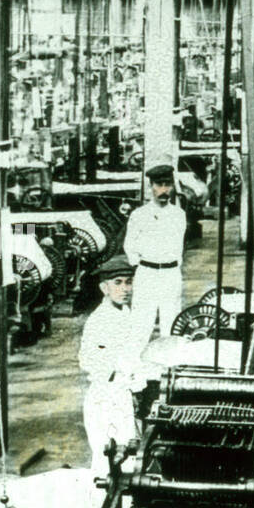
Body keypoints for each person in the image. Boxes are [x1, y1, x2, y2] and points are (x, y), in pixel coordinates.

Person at [78, 255, 146, 478]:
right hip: (106, 399)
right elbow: (89, 362)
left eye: (128, 282)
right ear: (104, 288)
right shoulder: (100, 320)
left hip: (122, 396)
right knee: (108, 466)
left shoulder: (124, 312)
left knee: (129, 462)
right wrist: (125, 381)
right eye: (118, 283)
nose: (125, 288)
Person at [124, 162, 187, 344]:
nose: (163, 190)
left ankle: (168, 370)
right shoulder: (139, 214)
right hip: (147, 273)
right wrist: (142, 266)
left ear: (172, 186)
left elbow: (179, 246)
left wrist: (172, 267)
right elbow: (129, 245)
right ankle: (136, 368)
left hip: (171, 274)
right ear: (151, 186)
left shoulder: (178, 214)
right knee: (141, 324)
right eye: (159, 185)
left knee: (171, 322)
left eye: (167, 185)